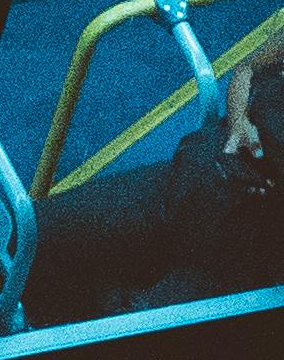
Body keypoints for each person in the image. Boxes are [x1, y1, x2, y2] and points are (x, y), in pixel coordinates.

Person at [22, 57, 278, 329]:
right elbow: (249, 67)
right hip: (189, 185)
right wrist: (238, 122)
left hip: (242, 252)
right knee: (28, 241)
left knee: (121, 337)